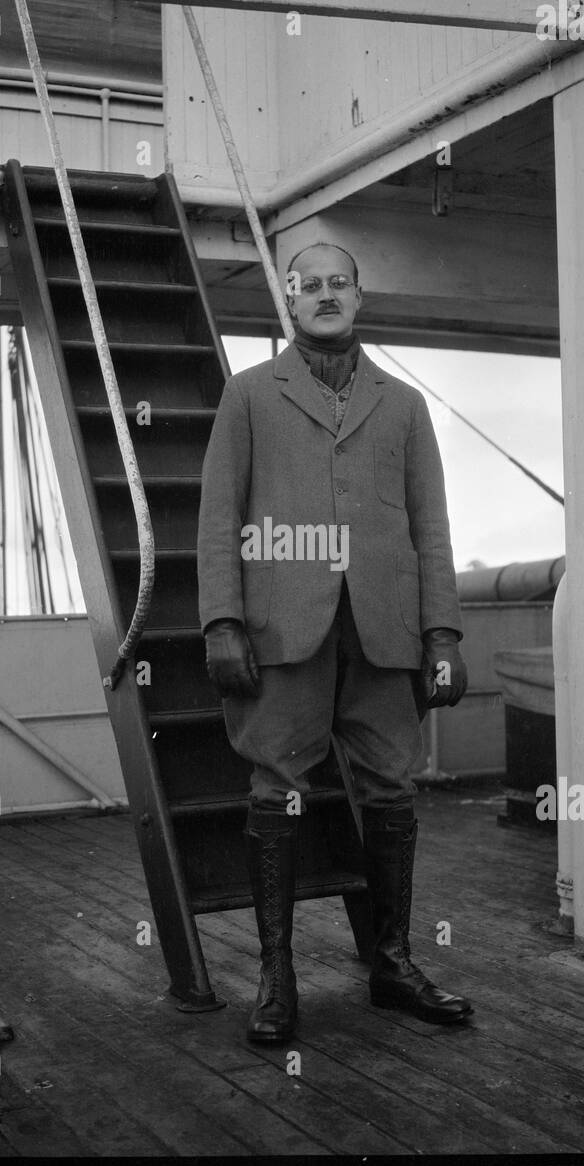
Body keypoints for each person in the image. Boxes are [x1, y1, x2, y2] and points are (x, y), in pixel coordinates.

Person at [197, 242, 472, 1043]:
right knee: (273, 791)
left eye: (337, 283)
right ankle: (275, 977)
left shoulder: (405, 404)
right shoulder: (248, 395)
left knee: (392, 789)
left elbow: (432, 530)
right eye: (307, 285)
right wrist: (221, 620)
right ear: (288, 300)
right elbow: (218, 519)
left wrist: (442, 631)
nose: (324, 294)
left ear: (359, 294)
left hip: (385, 633)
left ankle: (391, 962)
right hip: (284, 629)